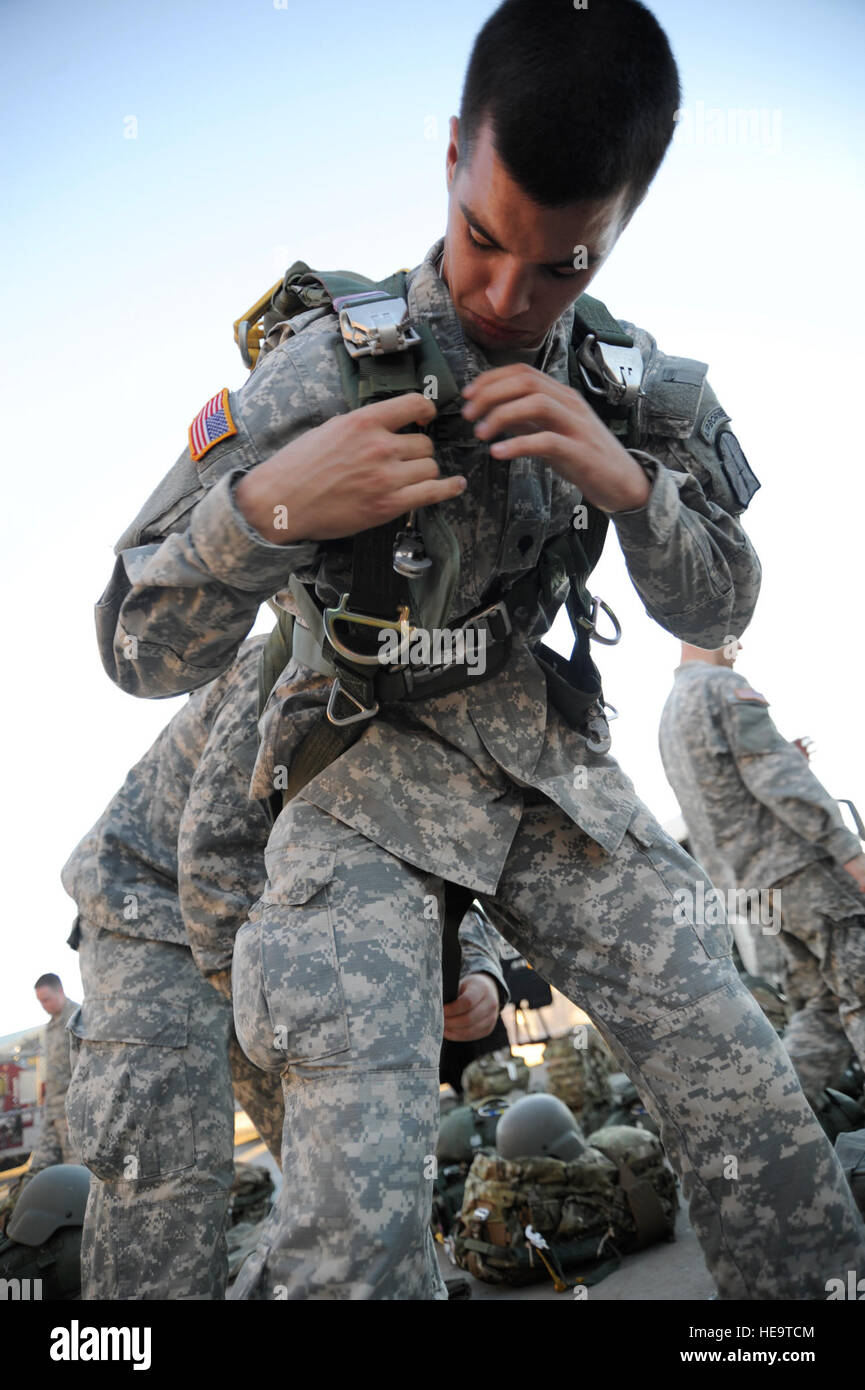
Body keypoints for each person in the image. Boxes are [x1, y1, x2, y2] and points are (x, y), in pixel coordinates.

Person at [95, 0, 865, 1299]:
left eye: (561, 264)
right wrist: (276, 506)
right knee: (356, 1227)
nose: (507, 297)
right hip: (358, 788)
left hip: (552, 778)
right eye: (483, 240)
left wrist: (632, 489)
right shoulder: (321, 374)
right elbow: (136, 636)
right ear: (452, 156)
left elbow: (721, 593)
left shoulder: (636, 388)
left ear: (620, 227)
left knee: (752, 1108)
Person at [62, 638, 507, 1299]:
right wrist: (285, 1009)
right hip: (147, 906)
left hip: (272, 931)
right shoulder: (300, 654)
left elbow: (435, 855)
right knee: (167, 1175)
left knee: (344, 1158)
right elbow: (213, 860)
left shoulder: (461, 695)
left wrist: (479, 967)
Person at [659, 638, 865, 1112]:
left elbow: (722, 794)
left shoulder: (671, 714)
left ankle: (776, 1123)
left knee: (825, 1008)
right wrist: (849, 852)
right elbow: (777, 781)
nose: (739, 641)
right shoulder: (722, 686)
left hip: (755, 893)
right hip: (801, 874)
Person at [28, 973, 79, 1173]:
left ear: (60, 991)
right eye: (40, 1002)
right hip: (51, 1111)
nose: (44, 1005)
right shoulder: (50, 1027)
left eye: (46, 999)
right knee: (40, 1167)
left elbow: (85, 1067)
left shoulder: (77, 1018)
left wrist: (75, 1108)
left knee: (73, 1168)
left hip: (70, 1111)